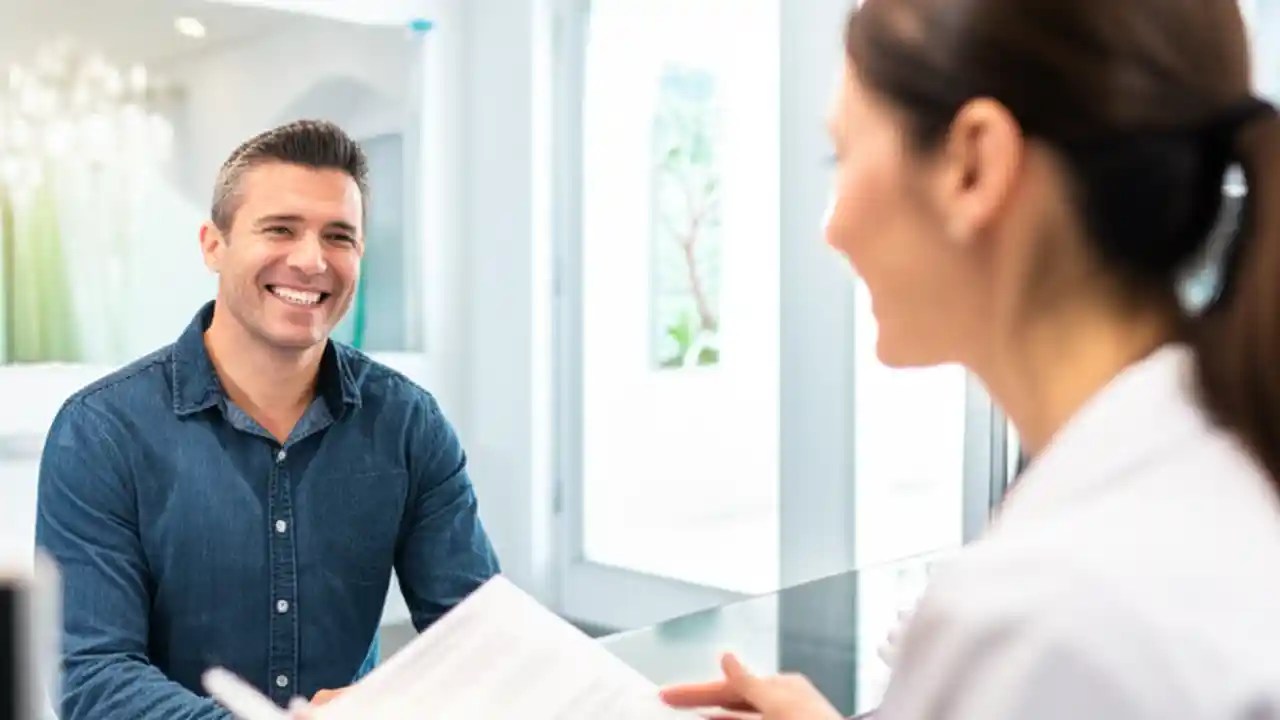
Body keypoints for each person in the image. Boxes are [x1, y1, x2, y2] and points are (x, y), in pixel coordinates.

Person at [663, 0, 1280, 717]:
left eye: (845, 154)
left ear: (974, 164)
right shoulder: (1215, 472)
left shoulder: (1040, 618)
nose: (833, 229)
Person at [36, 120, 500, 719]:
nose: (311, 261)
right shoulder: (100, 432)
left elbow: (481, 641)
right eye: (280, 229)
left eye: (339, 237)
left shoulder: (409, 424)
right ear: (213, 245)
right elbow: (93, 679)